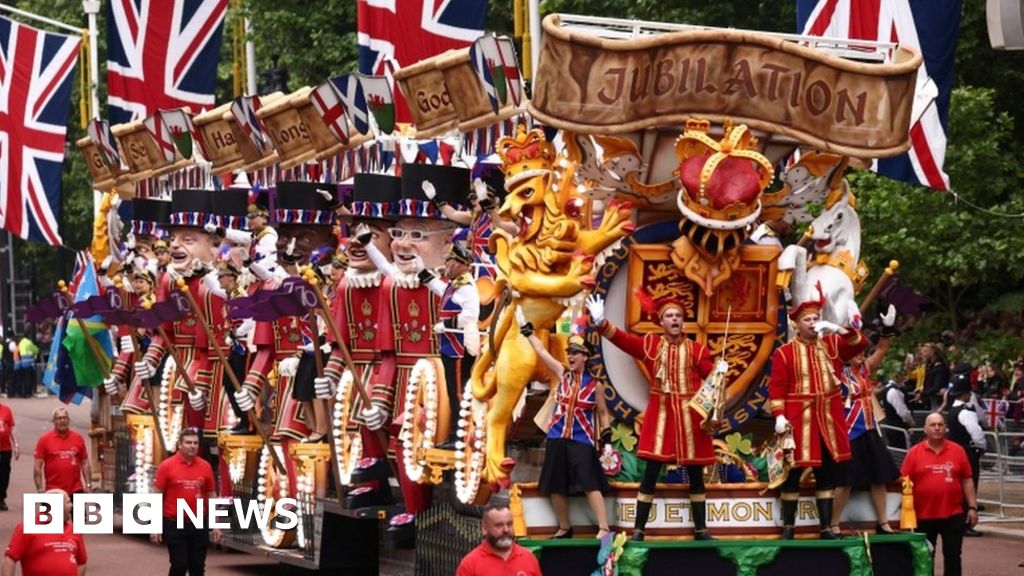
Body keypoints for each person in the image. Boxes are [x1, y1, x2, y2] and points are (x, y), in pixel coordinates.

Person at [587, 292, 726, 541]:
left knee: (695, 475)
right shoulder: (650, 345)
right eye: (670, 316)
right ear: (661, 322)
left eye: (679, 316)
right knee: (650, 472)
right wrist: (601, 323)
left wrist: (720, 372)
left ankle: (701, 530)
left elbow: (713, 383)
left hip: (690, 418)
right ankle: (639, 530)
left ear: (683, 321)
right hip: (661, 414)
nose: (675, 319)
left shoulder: (697, 349)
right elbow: (624, 340)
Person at [768, 291, 866, 540]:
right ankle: (788, 528)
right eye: (807, 320)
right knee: (792, 473)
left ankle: (825, 528)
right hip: (798, 419)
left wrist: (838, 328)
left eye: (816, 319)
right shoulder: (784, 353)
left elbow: (859, 344)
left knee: (828, 474)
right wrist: (779, 416)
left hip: (828, 418)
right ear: (796, 324)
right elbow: (777, 389)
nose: (813, 323)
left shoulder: (832, 345)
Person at [519, 306, 611, 539]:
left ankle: (603, 527)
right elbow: (541, 352)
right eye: (569, 352)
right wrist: (527, 331)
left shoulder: (595, 384)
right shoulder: (562, 373)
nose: (570, 356)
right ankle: (564, 526)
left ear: (585, 357)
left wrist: (607, 439)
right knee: (555, 484)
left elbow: (602, 413)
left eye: (575, 353)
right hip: (557, 437)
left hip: (582, 440)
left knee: (590, 483)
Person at [832, 305, 901, 534]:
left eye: (863, 350)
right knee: (845, 480)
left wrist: (887, 330)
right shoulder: (836, 371)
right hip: (849, 430)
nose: (862, 354)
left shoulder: (864, 370)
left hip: (869, 429)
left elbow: (882, 349)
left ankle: (883, 522)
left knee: (879, 477)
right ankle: (833, 524)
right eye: (857, 350)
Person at [901, 413, 978, 576]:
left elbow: (967, 480)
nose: (937, 428)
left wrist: (972, 507)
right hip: (923, 515)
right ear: (925, 429)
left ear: (945, 428)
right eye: (933, 425)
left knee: (953, 556)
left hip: (953, 513)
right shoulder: (913, 453)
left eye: (940, 425)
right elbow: (903, 483)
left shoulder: (958, 451)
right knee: (925, 557)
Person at [152, 428, 222, 576]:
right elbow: (157, 495)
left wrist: (216, 524)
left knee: (197, 568)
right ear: (180, 445)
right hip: (174, 522)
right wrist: (155, 526)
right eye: (188, 442)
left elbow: (211, 494)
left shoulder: (205, 466)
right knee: (179, 565)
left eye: (195, 443)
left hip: (198, 523)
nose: (192, 446)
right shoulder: (167, 466)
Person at [2, 489, 86, 576]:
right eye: (68, 502)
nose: (71, 505)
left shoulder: (73, 530)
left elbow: (82, 562)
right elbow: (9, 560)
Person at [945, 368, 986, 538]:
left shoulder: (952, 411)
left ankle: (958, 521)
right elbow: (977, 434)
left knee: (958, 487)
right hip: (967, 451)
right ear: (966, 393)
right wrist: (981, 447)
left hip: (955, 451)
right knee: (969, 485)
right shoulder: (966, 412)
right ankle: (966, 523)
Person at [456, 502, 542, 576]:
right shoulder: (470, 564)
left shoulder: (528, 558)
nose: (506, 530)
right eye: (499, 525)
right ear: (484, 529)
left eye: (509, 524)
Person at [34, 407, 91, 494]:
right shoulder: (44, 440)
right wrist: (40, 489)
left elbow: (85, 463)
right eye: (59, 418)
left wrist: (88, 485)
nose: (62, 421)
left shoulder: (78, 438)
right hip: (53, 490)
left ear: (69, 420)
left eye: (65, 418)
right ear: (53, 421)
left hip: (76, 489)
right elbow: (37, 466)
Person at [880, 377, 916, 448]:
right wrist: (912, 424)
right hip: (897, 429)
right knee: (901, 452)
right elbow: (903, 413)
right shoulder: (893, 391)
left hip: (893, 427)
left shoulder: (888, 387)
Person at [914, 343, 950, 411]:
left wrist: (923, 394)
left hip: (939, 399)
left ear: (932, 352)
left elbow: (937, 386)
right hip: (932, 398)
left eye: (925, 351)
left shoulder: (940, 368)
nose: (923, 354)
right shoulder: (930, 366)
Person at [0, 398, 18, 510]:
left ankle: (1, 497)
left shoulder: (6, 410)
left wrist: (16, 444)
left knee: (4, 474)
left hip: (5, 448)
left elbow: (11, 429)